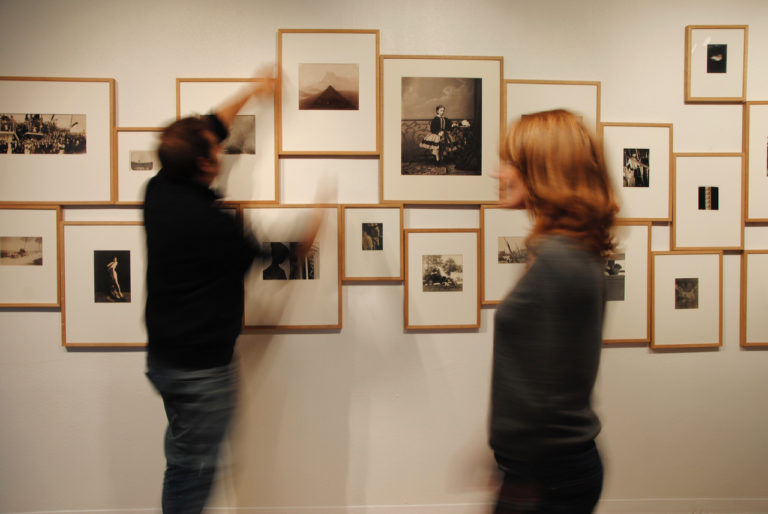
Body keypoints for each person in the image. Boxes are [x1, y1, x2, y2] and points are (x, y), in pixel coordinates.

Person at [143, 68, 319, 514]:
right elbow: (275, 257)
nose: (222, 147)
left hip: (165, 360)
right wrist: (314, 226)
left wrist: (254, 91)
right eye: (215, 147)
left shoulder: (157, 191)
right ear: (205, 164)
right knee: (194, 468)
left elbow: (211, 125)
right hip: (200, 372)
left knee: (183, 458)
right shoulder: (214, 226)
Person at [489, 109, 618, 514]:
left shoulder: (560, 259)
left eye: (510, 162)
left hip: (547, 475)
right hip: (546, 468)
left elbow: (549, 393)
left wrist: (522, 476)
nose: (497, 173)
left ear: (542, 169)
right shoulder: (563, 250)